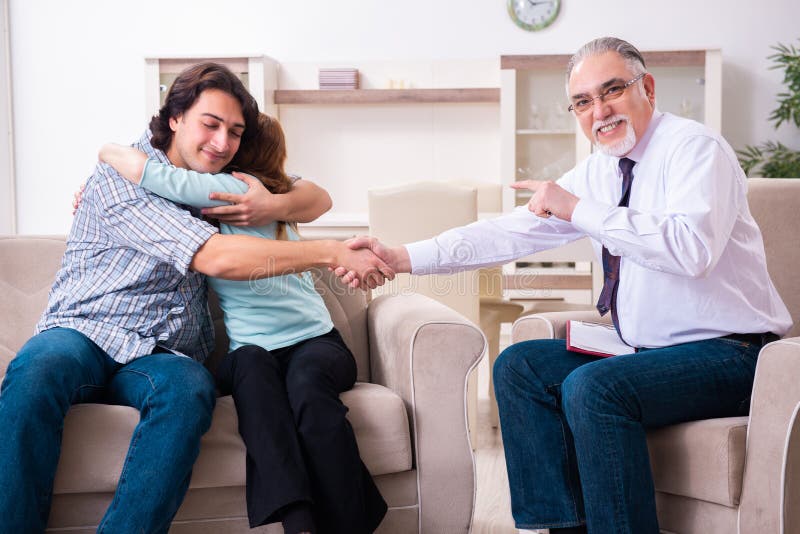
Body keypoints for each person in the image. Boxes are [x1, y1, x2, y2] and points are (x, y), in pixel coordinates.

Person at [338, 37, 793, 534]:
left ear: (649, 89)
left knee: (594, 389)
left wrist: (578, 208)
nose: (599, 111)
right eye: (583, 102)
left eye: (612, 90)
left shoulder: (696, 150)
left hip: (734, 354)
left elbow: (690, 250)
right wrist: (403, 256)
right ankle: (562, 529)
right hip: (646, 353)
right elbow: (509, 232)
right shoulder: (600, 171)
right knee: (519, 365)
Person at [0, 62, 391, 534]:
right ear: (175, 118)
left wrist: (273, 204)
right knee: (36, 371)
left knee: (189, 390)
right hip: (84, 329)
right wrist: (328, 251)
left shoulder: (225, 188)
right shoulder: (122, 179)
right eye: (210, 124)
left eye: (235, 131)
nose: (222, 142)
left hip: (163, 350)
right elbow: (217, 257)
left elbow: (311, 194)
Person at [97, 111, 387, 534]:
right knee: (253, 368)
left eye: (233, 136)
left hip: (316, 343)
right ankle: (310, 521)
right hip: (256, 352)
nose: (219, 145)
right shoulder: (252, 194)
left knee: (306, 388)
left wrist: (105, 153)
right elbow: (317, 197)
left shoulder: (239, 190)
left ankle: (312, 522)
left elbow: (158, 176)